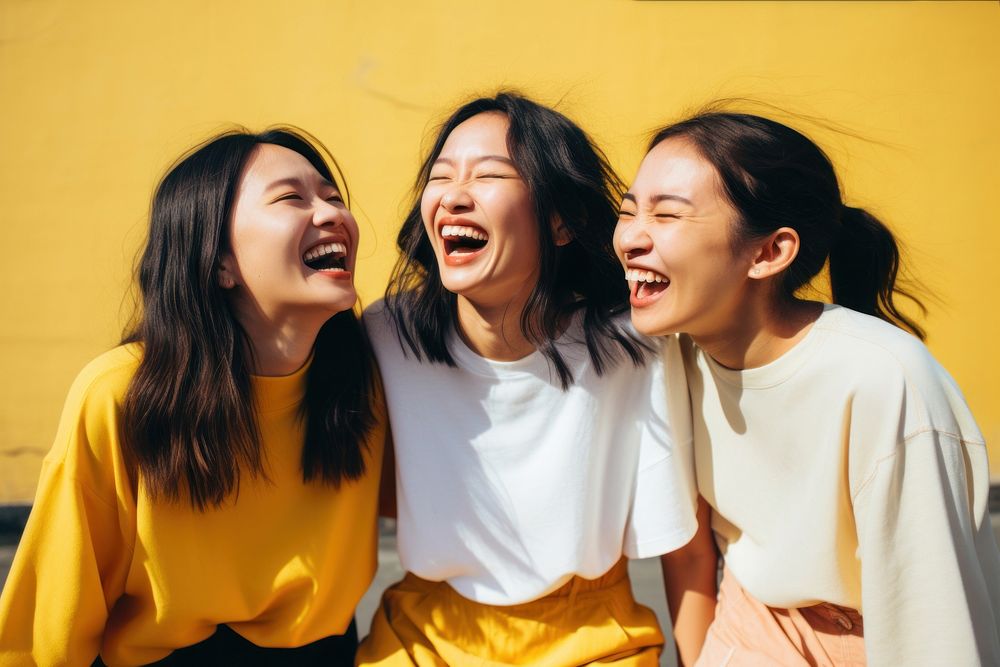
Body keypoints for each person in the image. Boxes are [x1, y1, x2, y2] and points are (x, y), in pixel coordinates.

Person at [614, 110, 1000, 666]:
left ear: (769, 252)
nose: (630, 237)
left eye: (667, 214)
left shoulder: (885, 381)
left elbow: (930, 618)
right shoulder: (674, 348)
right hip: (750, 625)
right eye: (629, 211)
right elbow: (693, 549)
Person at [0, 128, 384, 665]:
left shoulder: (369, 381)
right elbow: (48, 631)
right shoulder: (120, 395)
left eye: (332, 195)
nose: (330, 213)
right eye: (292, 198)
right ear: (218, 261)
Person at [357, 92, 698, 666]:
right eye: (440, 177)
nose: (454, 196)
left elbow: (682, 548)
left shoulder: (634, 345)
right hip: (424, 637)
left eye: (489, 175)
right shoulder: (389, 335)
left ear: (562, 220)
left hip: (592, 637)